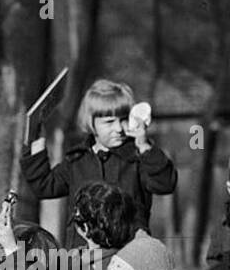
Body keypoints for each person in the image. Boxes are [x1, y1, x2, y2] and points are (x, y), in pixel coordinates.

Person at [20, 78, 177, 246]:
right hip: (83, 255)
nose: (118, 128)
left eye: (123, 119)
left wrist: (145, 147)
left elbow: (165, 184)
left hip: (127, 254)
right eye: (109, 122)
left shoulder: (138, 159)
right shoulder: (76, 160)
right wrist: (37, 145)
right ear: (91, 123)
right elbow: (44, 186)